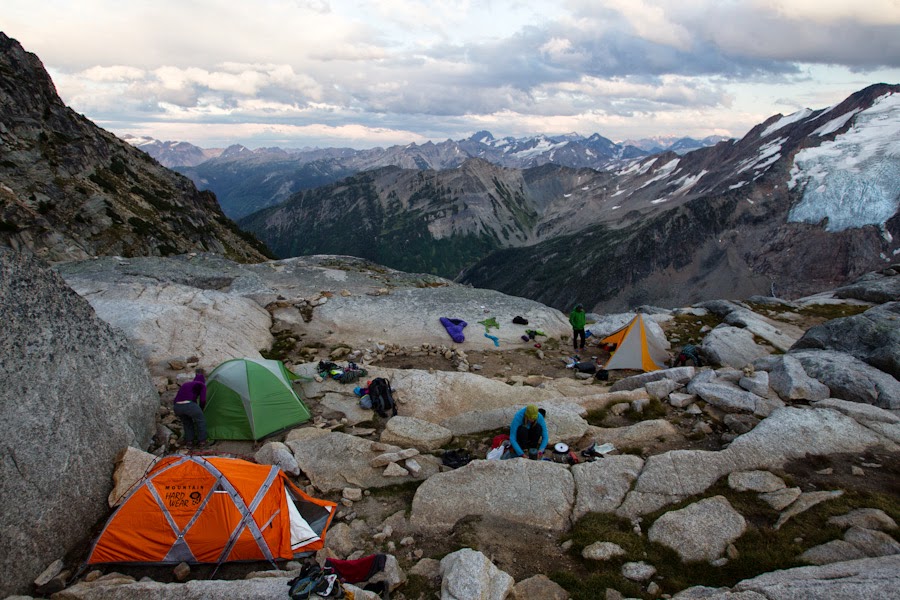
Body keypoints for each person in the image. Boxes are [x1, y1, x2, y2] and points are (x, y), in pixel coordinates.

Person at [173, 368, 209, 448]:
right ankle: (202, 442)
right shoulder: (202, 385)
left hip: (177, 407)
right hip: (189, 405)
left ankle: (189, 442)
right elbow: (203, 400)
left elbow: (176, 398)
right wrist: (201, 409)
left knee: (187, 422)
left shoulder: (186, 384)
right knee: (201, 421)